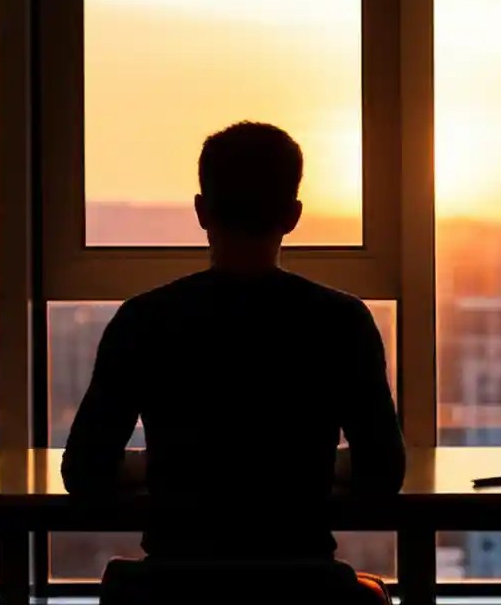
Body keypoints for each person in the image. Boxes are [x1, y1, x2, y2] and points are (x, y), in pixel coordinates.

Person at [62, 121, 405, 603]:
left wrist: (161, 464)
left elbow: (84, 473)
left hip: (172, 594)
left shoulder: (144, 320)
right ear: (292, 216)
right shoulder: (342, 321)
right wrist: (297, 462)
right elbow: (382, 473)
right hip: (304, 594)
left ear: (202, 211)